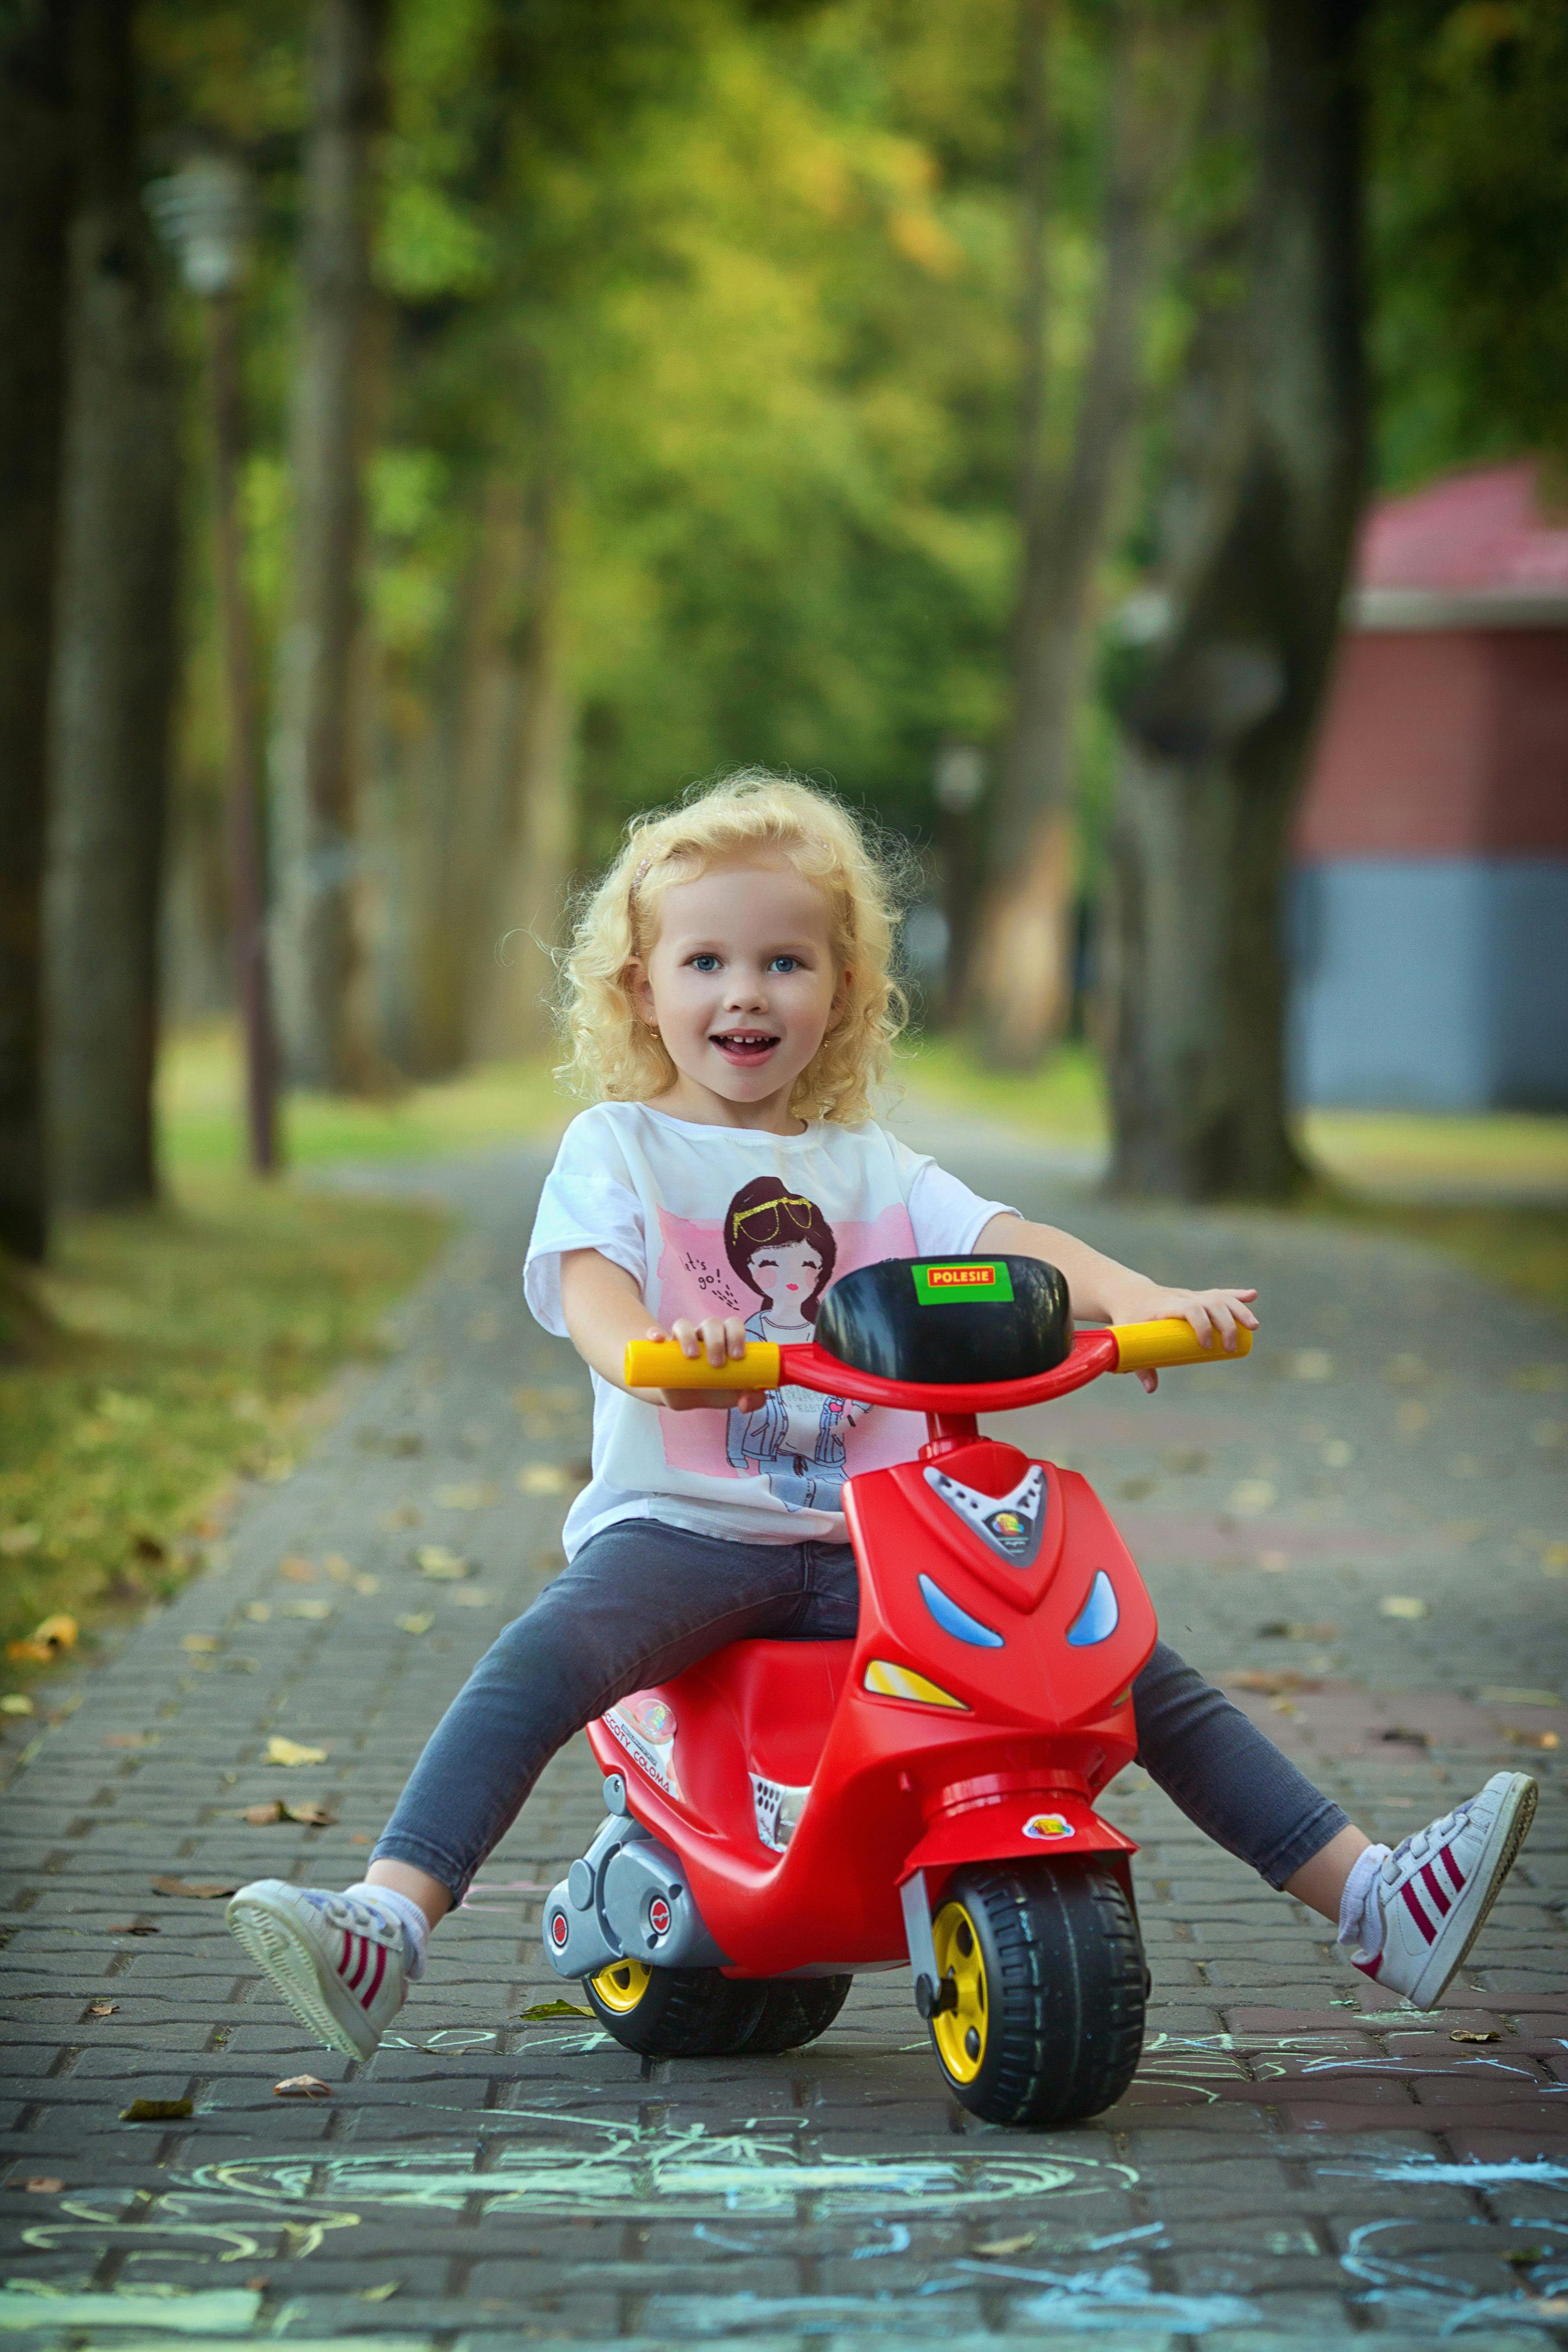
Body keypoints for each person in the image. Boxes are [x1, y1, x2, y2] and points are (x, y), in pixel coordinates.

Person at [227, 771, 1535, 2060]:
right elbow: (594, 1301)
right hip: (687, 1533)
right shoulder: (617, 1149)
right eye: (706, 963)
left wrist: (1145, 1298)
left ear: (843, 992)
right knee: (540, 1663)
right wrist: (655, 1353)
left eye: (787, 962)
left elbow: (1012, 1242)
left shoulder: (872, 1170)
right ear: (644, 989)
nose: (746, 992)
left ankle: (1370, 1898)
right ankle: (389, 1923)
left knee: (1122, 1666)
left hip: (879, 1536)